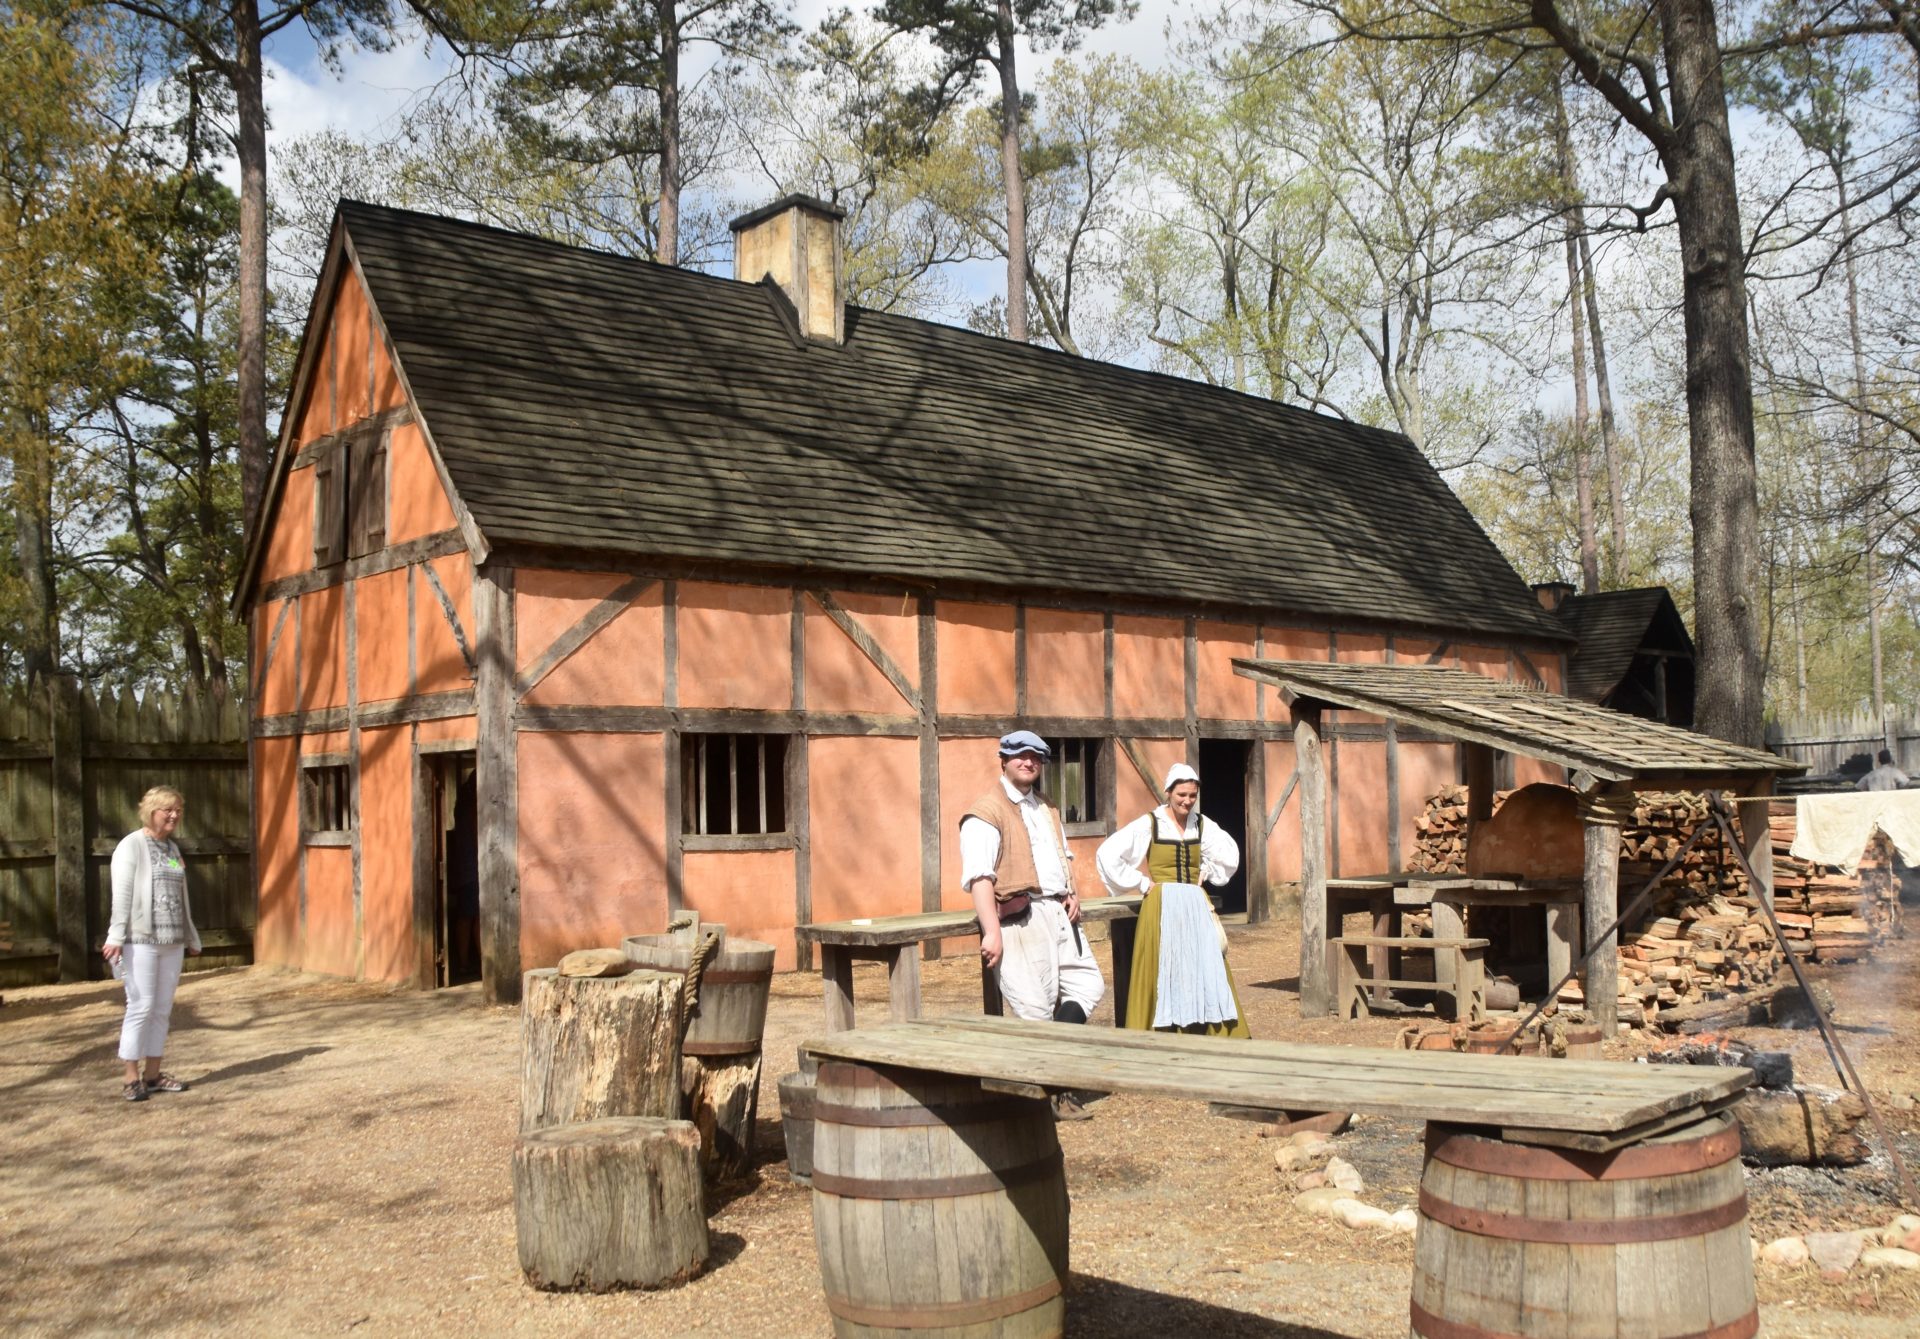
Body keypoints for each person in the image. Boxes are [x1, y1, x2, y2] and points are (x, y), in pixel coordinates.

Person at [962, 731, 1105, 1116]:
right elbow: (980, 878)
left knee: (1089, 983)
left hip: (1059, 913)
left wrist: (1070, 891)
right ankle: (1053, 1096)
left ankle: (1047, 1081)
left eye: (1036, 757)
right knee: (1034, 1009)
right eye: (1020, 756)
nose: (1028, 762)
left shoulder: (1047, 806)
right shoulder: (985, 813)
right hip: (1018, 919)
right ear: (1003, 760)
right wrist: (991, 930)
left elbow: (1061, 857)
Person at [1096, 762, 1250, 1037]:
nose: (1187, 801)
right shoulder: (1151, 823)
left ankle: (1205, 1032)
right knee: (1160, 970)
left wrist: (1207, 871)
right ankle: (1160, 1034)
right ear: (1168, 792)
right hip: (1162, 905)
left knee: (1205, 966)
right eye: (1182, 795)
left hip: (1194, 905)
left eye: (1192, 795)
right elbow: (1109, 854)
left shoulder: (1202, 824)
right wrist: (1141, 882)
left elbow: (1230, 857)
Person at [103, 785, 202, 1101]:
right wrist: (116, 936)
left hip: (171, 941)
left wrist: (190, 935)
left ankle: (154, 1074)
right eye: (167, 810)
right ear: (150, 812)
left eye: (177, 810)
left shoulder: (173, 850)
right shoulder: (131, 846)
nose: (174, 815)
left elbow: (180, 896)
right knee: (141, 1005)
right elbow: (122, 896)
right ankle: (131, 1077)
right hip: (140, 940)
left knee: (161, 1008)